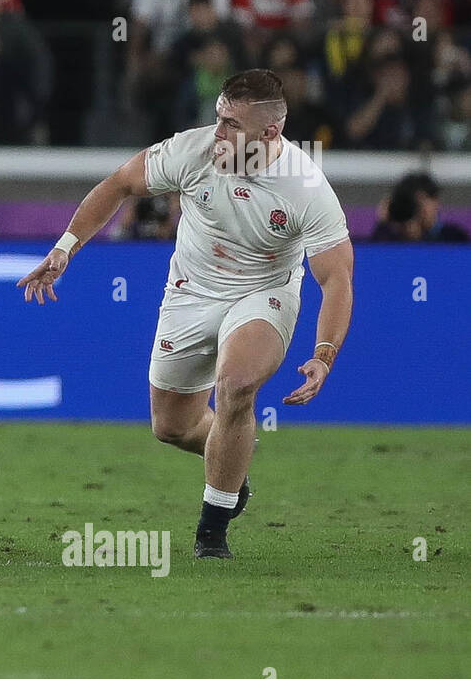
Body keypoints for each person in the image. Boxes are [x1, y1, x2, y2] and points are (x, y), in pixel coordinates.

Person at [18, 69, 354, 560]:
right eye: (218, 117)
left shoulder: (305, 187)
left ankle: (211, 532)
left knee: (236, 386)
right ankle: (233, 466)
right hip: (191, 293)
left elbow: (336, 279)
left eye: (232, 124)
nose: (218, 132)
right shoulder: (191, 152)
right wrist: (66, 246)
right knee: (170, 427)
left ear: (269, 133)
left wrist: (323, 354)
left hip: (263, 294)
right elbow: (119, 184)